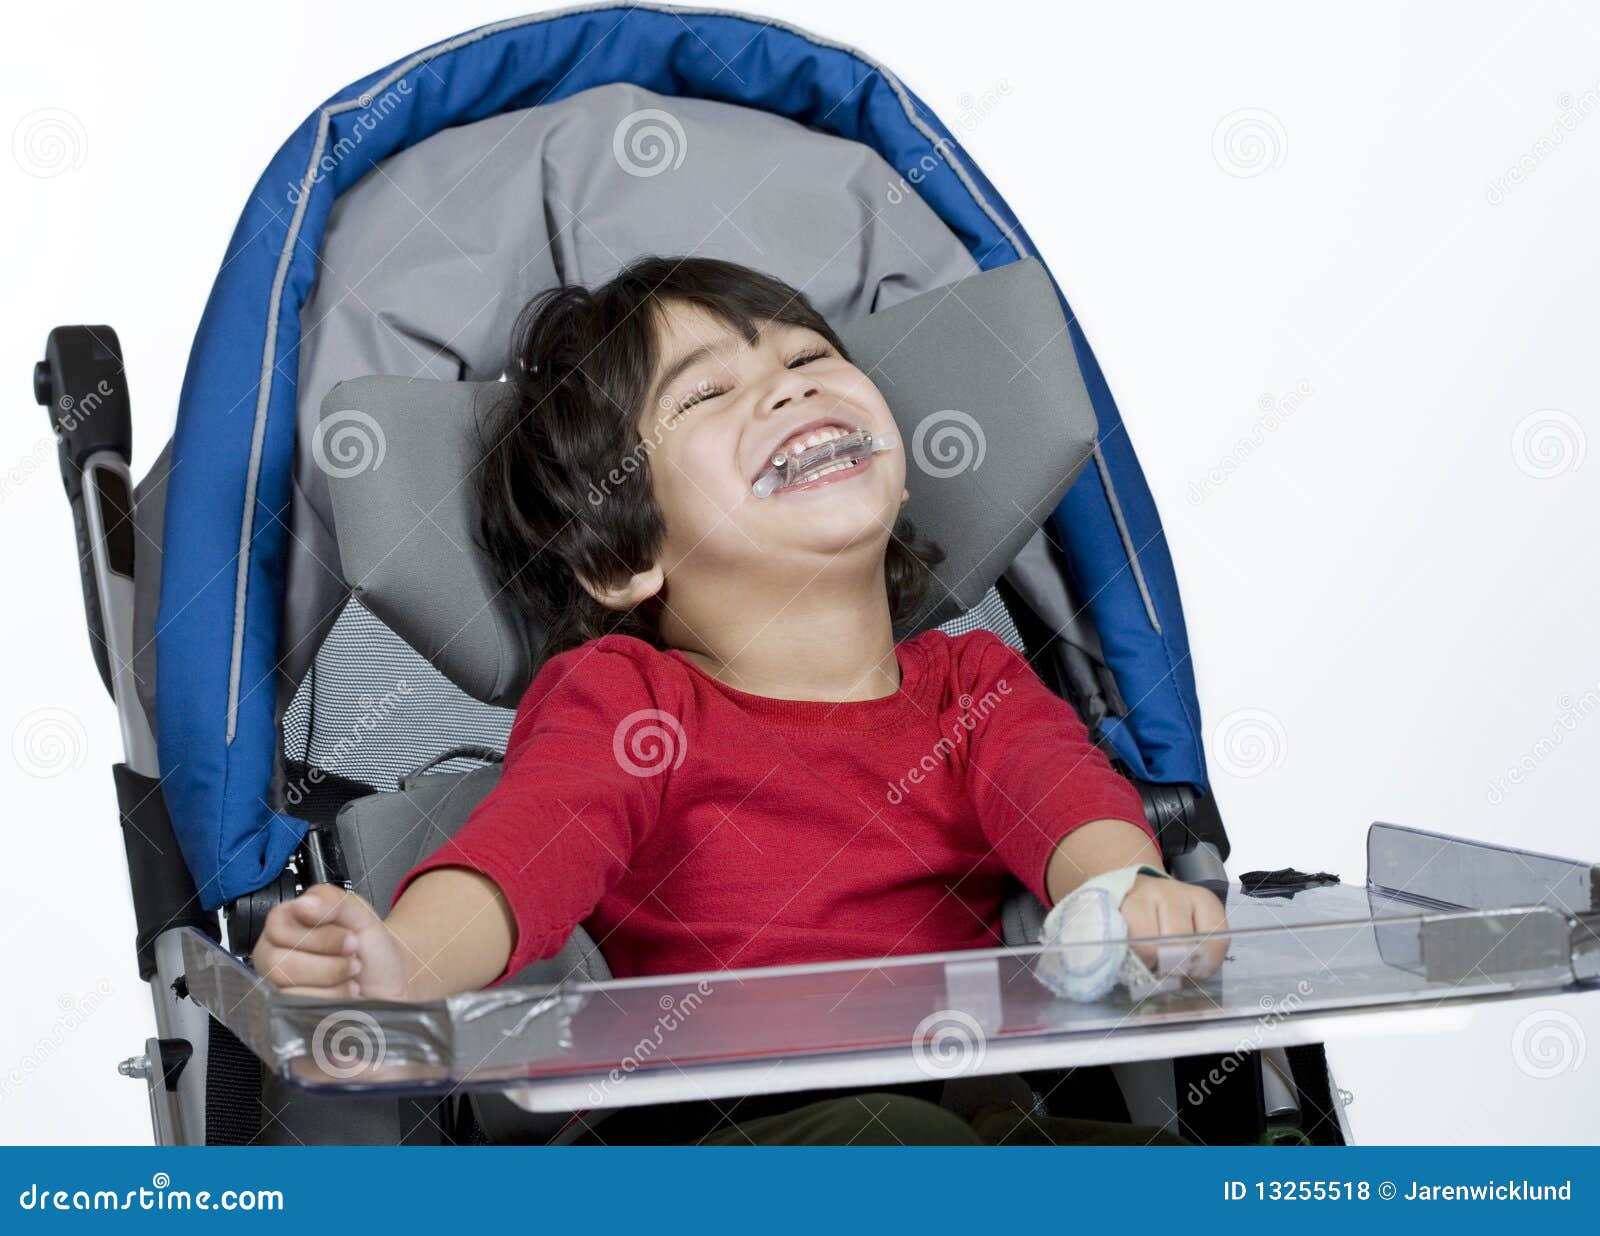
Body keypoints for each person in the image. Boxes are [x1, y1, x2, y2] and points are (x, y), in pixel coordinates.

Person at [256, 256, 1227, 1145]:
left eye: (810, 356)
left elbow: (1070, 809)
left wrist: (1126, 896)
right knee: (898, 1142)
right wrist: (396, 966)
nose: (791, 384)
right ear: (623, 555)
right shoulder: (633, 704)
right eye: (711, 393)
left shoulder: (972, 686)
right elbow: (527, 860)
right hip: (696, 1136)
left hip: (949, 1112)